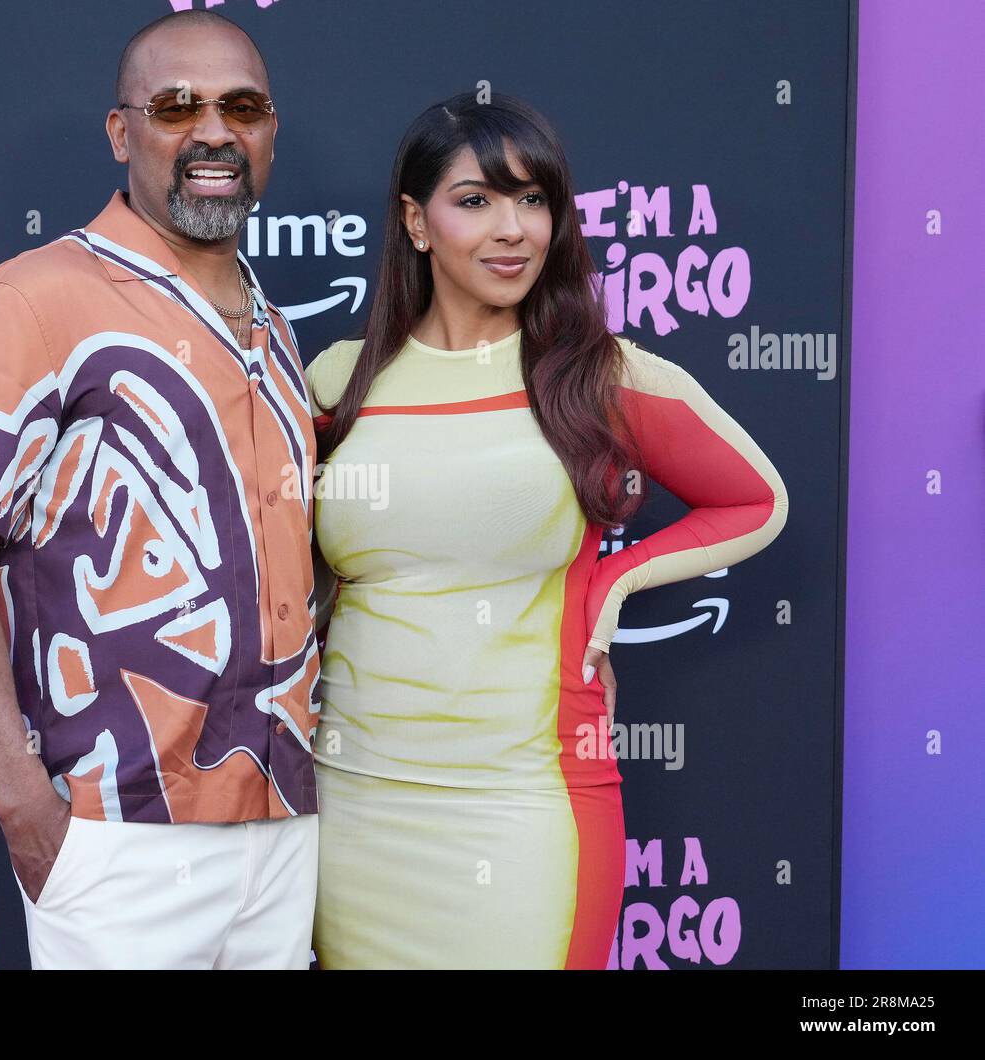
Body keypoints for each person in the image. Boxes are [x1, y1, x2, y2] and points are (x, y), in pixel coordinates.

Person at [303, 92, 789, 969]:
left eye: (533, 199)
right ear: (416, 221)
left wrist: (612, 585)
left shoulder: (600, 374)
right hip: (355, 808)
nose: (514, 229)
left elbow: (756, 499)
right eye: (476, 200)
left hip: (527, 804)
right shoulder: (341, 379)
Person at [0, 10, 321, 970]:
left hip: (285, 819)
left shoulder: (277, 328)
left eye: (241, 107)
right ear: (121, 133)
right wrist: (23, 802)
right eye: (178, 106)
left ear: (269, 132)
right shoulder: (36, 298)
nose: (214, 131)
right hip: (118, 830)